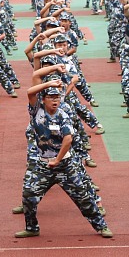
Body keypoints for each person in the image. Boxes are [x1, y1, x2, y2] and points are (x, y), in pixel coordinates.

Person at [15, 79, 112, 239]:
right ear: (43, 99)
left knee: (83, 197)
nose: (55, 100)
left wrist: (57, 160)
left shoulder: (63, 115)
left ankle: (101, 226)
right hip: (42, 165)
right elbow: (30, 92)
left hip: (64, 165)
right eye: (51, 97)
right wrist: (47, 84)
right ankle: (32, 228)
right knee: (29, 196)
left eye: (57, 97)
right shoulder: (36, 111)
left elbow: (68, 139)